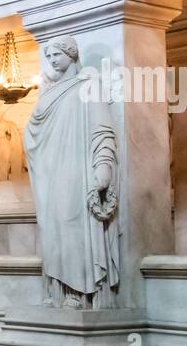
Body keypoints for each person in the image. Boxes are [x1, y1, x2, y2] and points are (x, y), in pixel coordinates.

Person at [22, 36, 120, 309]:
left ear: (71, 54)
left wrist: (103, 166)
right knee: (52, 229)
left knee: (72, 225)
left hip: (77, 170)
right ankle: (58, 290)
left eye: (57, 54)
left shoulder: (88, 86)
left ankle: (78, 292)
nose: (52, 60)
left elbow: (103, 129)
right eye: (49, 56)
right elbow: (33, 129)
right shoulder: (50, 91)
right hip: (52, 171)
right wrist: (44, 92)